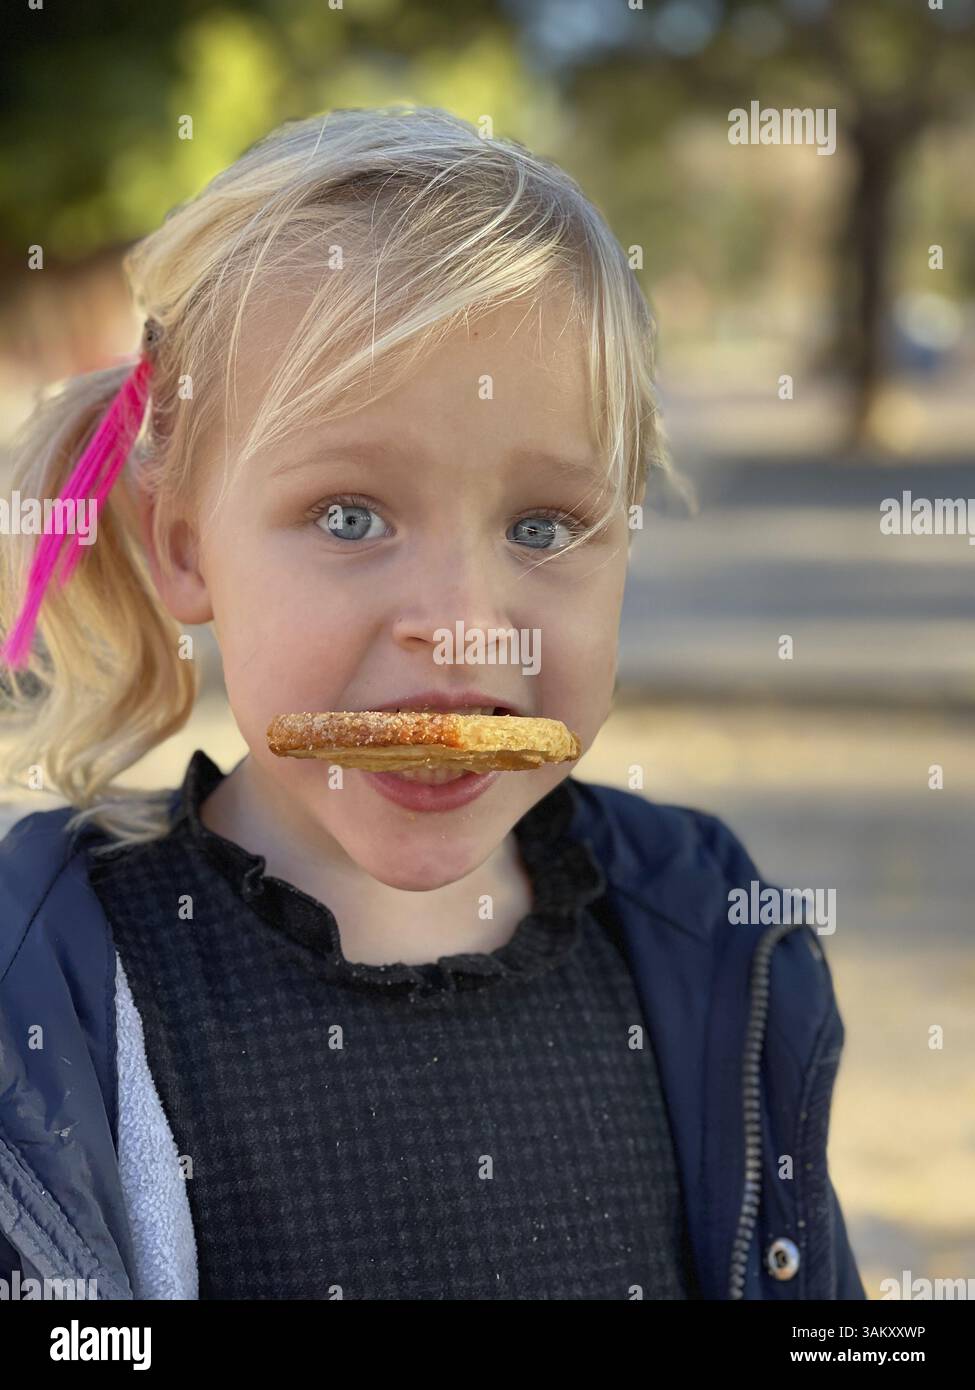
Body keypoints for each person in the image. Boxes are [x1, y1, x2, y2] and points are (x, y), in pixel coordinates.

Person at [0, 107, 865, 1301]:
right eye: (351, 517)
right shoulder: (48, 972)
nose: (462, 621)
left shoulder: (703, 928)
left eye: (544, 526)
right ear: (185, 546)